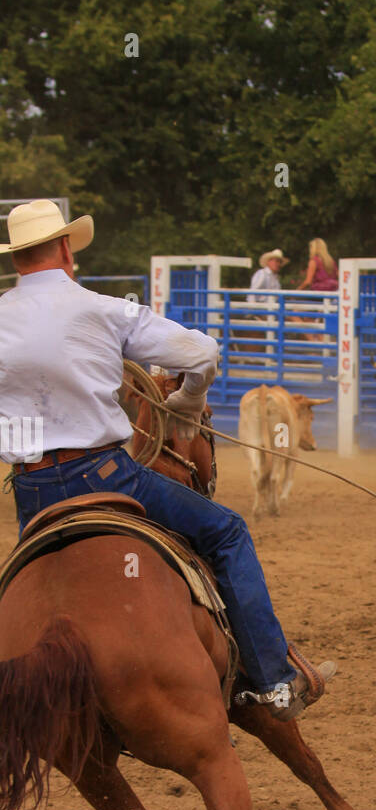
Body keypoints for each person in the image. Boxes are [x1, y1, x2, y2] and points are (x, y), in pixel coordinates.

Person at [0, 200, 331, 722]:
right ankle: (274, 681)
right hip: (105, 475)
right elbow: (201, 353)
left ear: (17, 259)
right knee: (226, 533)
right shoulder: (105, 310)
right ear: (66, 248)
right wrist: (188, 403)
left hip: (31, 492)